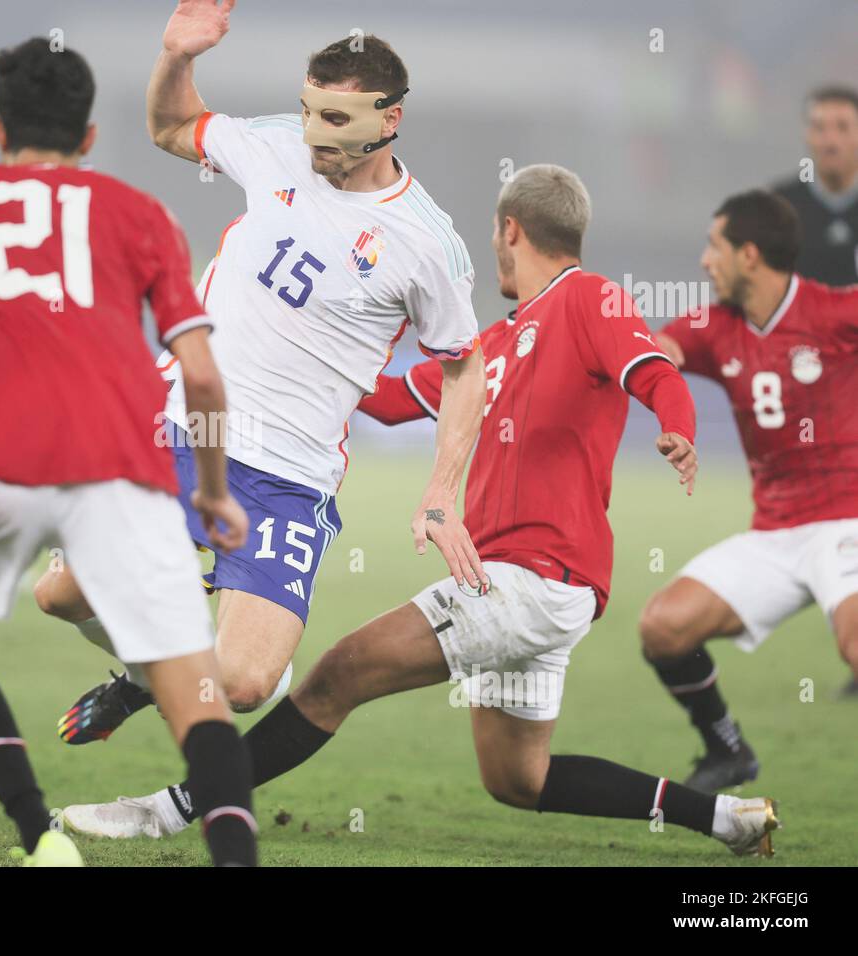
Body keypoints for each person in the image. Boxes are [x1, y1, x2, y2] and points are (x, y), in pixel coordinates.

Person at [64, 165, 781, 860]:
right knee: (518, 780)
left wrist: (678, 426)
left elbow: (654, 370)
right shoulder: (491, 347)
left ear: (509, 230)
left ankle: (165, 811)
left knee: (336, 675)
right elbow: (382, 398)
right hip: (532, 588)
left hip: (529, 579)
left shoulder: (590, 298)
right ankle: (727, 820)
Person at [36, 0, 488, 757]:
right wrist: (178, 58)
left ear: (390, 119)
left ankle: (153, 674)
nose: (315, 135)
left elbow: (464, 366)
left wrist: (442, 488)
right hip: (180, 423)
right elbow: (172, 128)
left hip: (288, 475)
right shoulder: (276, 145)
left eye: (337, 121)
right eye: (310, 111)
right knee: (60, 593)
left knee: (243, 686)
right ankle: (149, 674)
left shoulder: (427, 243)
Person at [0, 38, 258, 866]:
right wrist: (209, 491)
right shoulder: (142, 217)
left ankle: (39, 834)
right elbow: (200, 375)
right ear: (90, 136)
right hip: (123, 474)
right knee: (199, 697)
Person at [641, 190, 858, 792]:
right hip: (774, 535)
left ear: (750, 254)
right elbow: (662, 352)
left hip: (847, 522)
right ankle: (728, 750)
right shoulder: (715, 328)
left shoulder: (836, 313)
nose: (706, 260)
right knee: (664, 627)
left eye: (716, 246)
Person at [773, 86, 858, 287]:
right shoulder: (779, 207)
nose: (831, 141)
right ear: (807, 135)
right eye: (820, 128)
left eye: (843, 127)